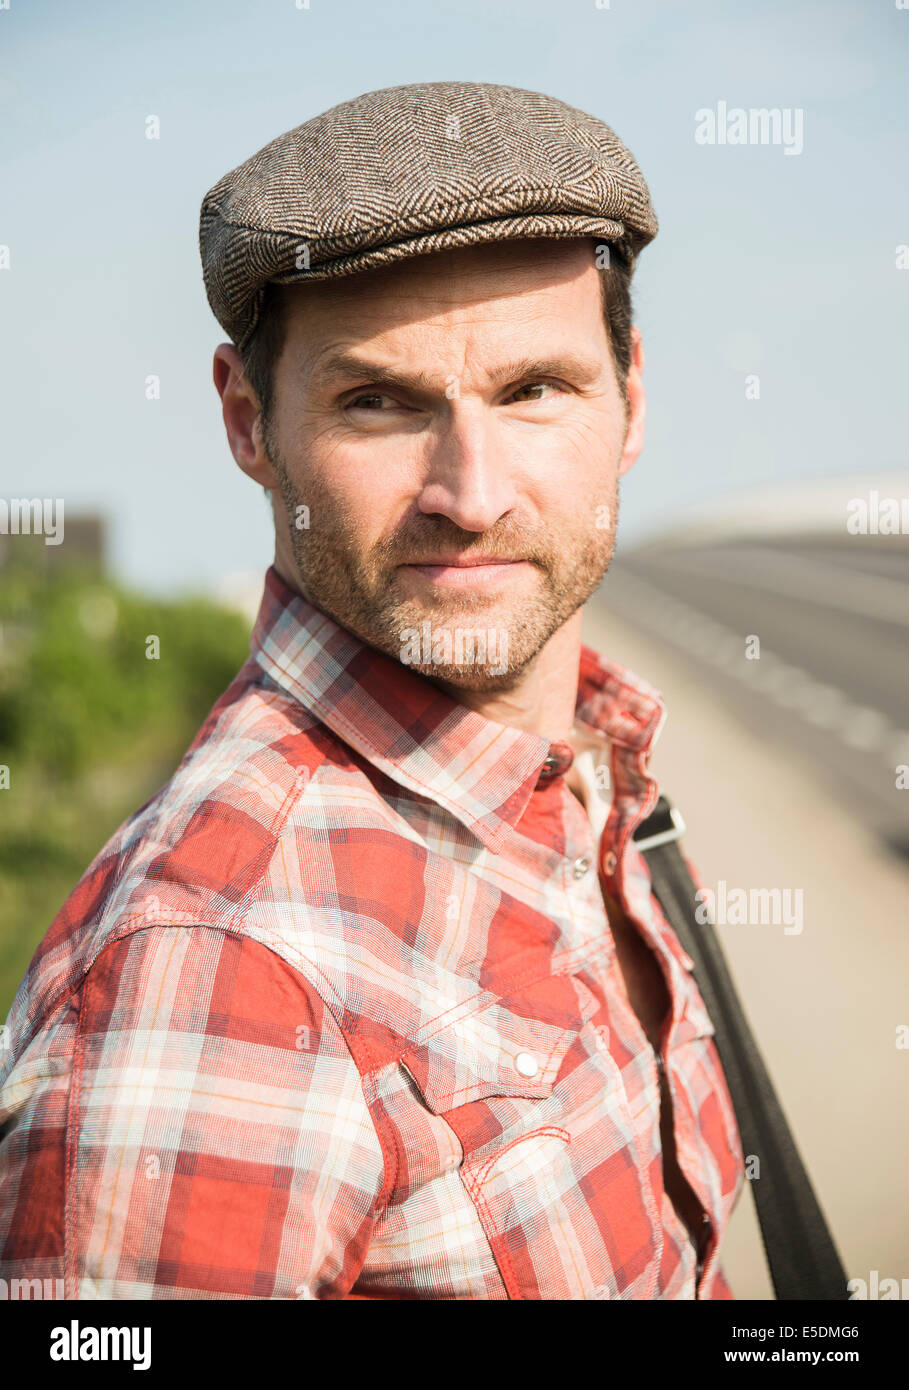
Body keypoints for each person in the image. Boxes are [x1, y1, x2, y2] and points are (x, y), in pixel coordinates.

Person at [0, 80, 744, 1299]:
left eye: (534, 389)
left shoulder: (598, 778)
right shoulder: (211, 973)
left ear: (632, 396)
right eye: (379, 402)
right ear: (250, 424)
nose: (472, 488)